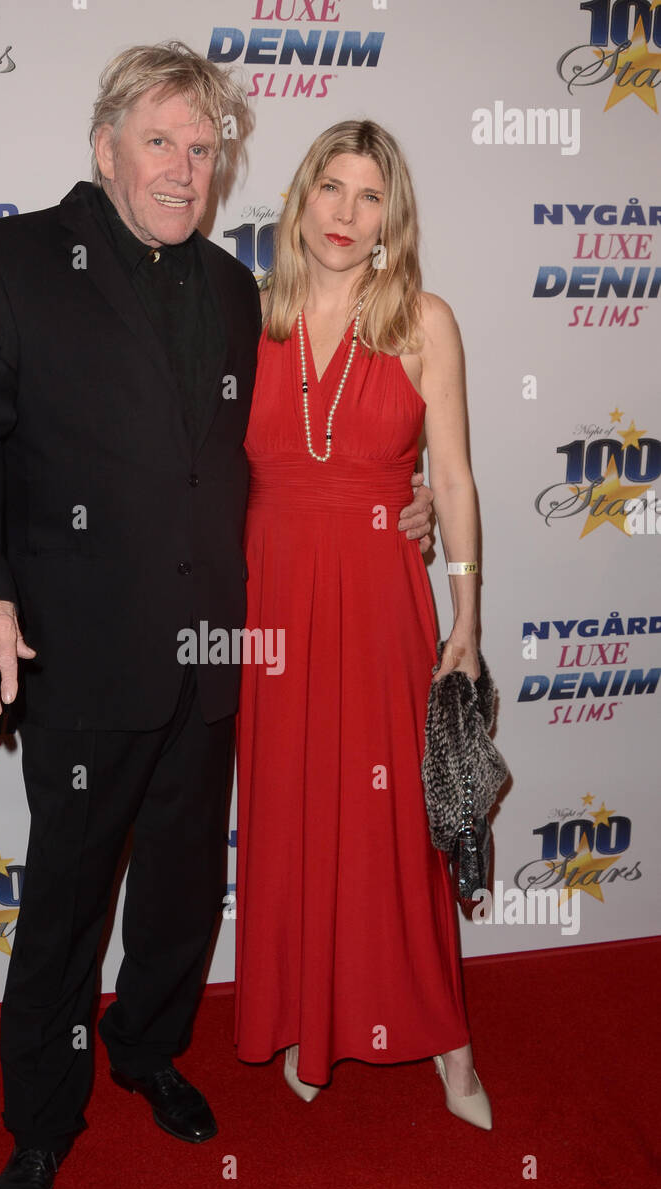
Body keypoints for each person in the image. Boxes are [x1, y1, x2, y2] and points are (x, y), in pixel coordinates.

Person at [0, 45, 437, 1189]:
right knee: (65, 904)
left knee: (186, 890)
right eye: (161, 141)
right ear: (104, 147)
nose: (183, 168)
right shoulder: (9, 261)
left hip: (212, 656)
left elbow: (298, 451)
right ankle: (43, 1119)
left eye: (203, 150)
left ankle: (146, 1049)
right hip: (82, 658)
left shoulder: (238, 289)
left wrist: (403, 499)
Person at [234, 119, 493, 1130]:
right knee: (291, 811)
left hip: (383, 599)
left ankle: (449, 1047)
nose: (345, 214)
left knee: (392, 826)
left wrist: (464, 610)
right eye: (329, 189)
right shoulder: (243, 316)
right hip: (269, 600)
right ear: (300, 199)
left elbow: (457, 478)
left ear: (392, 217)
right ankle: (309, 1018)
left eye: (368, 196)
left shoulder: (422, 319)